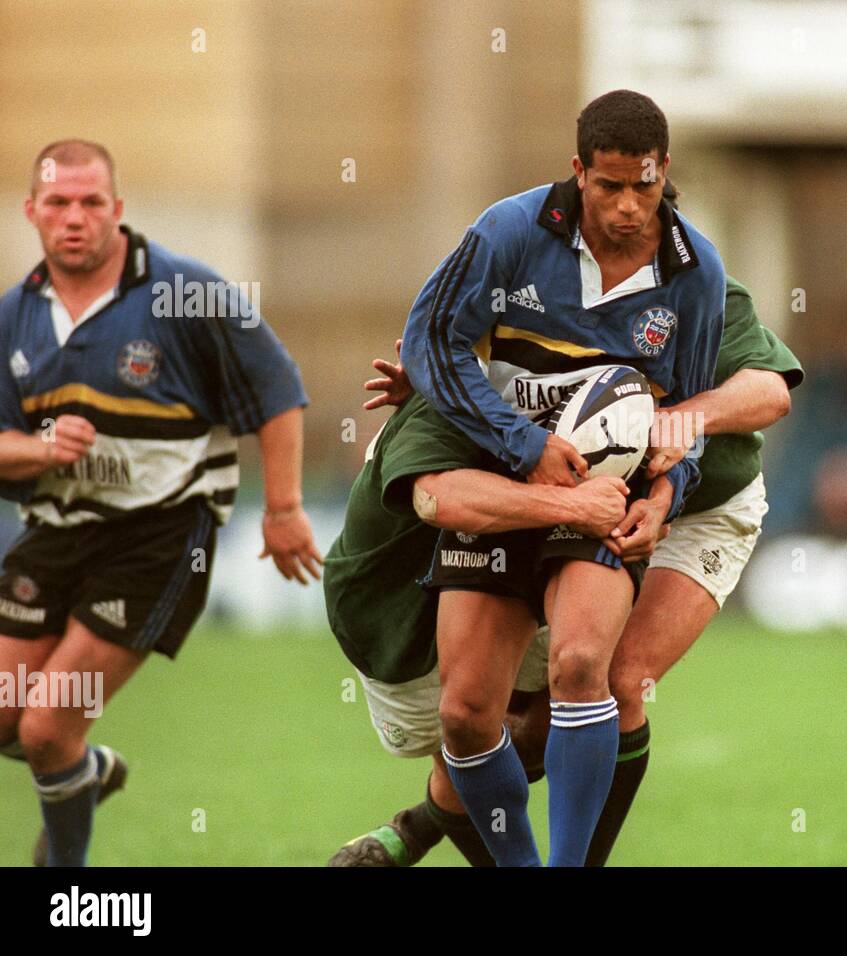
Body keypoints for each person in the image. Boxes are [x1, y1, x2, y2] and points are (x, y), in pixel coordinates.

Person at [334, 268, 801, 867]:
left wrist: (678, 426)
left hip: (699, 505)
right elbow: (450, 486)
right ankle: (422, 825)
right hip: (586, 499)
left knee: (613, 680)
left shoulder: (693, 281)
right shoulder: (519, 298)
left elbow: (771, 392)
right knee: (493, 724)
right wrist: (443, 387)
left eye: (642, 189)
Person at [399, 90, 725, 865]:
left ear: (664, 171)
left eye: (643, 186)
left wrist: (665, 496)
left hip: (602, 502)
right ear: (579, 171)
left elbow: (686, 413)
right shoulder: (509, 231)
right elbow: (430, 342)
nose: (626, 205)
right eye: (608, 185)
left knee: (583, 665)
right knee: (468, 715)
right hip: (508, 485)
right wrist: (523, 445)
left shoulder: (695, 271)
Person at [0, 140, 319, 867]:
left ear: (117, 209)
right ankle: (88, 773)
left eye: (90, 203)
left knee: (48, 726)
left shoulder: (186, 292)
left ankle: (65, 884)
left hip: (161, 533)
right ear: (32, 213)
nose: (74, 217)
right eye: (57, 203)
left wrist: (283, 508)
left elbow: (278, 392)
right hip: (55, 531)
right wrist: (41, 449)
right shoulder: (12, 317)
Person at [322, 349, 631, 866]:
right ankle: (418, 828)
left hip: (490, 573)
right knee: (469, 731)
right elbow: (437, 500)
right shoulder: (454, 395)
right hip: (395, 622)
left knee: (585, 686)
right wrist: (577, 506)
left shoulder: (568, 376)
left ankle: (415, 832)